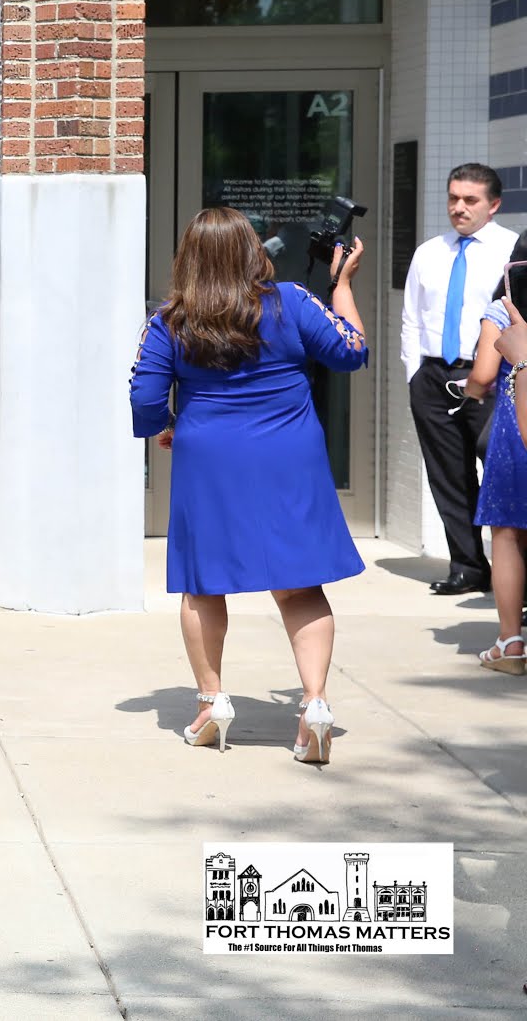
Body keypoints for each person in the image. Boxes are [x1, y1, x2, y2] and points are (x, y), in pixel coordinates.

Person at [133, 209, 368, 762]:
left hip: (210, 458)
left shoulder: (170, 318)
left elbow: (144, 398)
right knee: (300, 584)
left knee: (202, 583)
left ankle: (212, 701)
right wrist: (342, 286)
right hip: (291, 453)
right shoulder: (291, 299)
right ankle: (314, 704)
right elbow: (351, 350)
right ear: (252, 250)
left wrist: (168, 426)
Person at [400, 163, 518, 596]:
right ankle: (469, 566)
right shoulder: (430, 251)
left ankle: (517, 574)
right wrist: (414, 371)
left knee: (504, 472)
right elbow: (411, 317)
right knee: (448, 475)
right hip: (433, 375)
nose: (459, 207)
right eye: (453, 198)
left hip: (491, 376)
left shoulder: (511, 250)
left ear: (494, 204)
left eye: (470, 200)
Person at [464, 244, 527, 676]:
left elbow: (484, 374)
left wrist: (468, 392)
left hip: (513, 427)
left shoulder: (504, 310)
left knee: (507, 535)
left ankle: (511, 641)